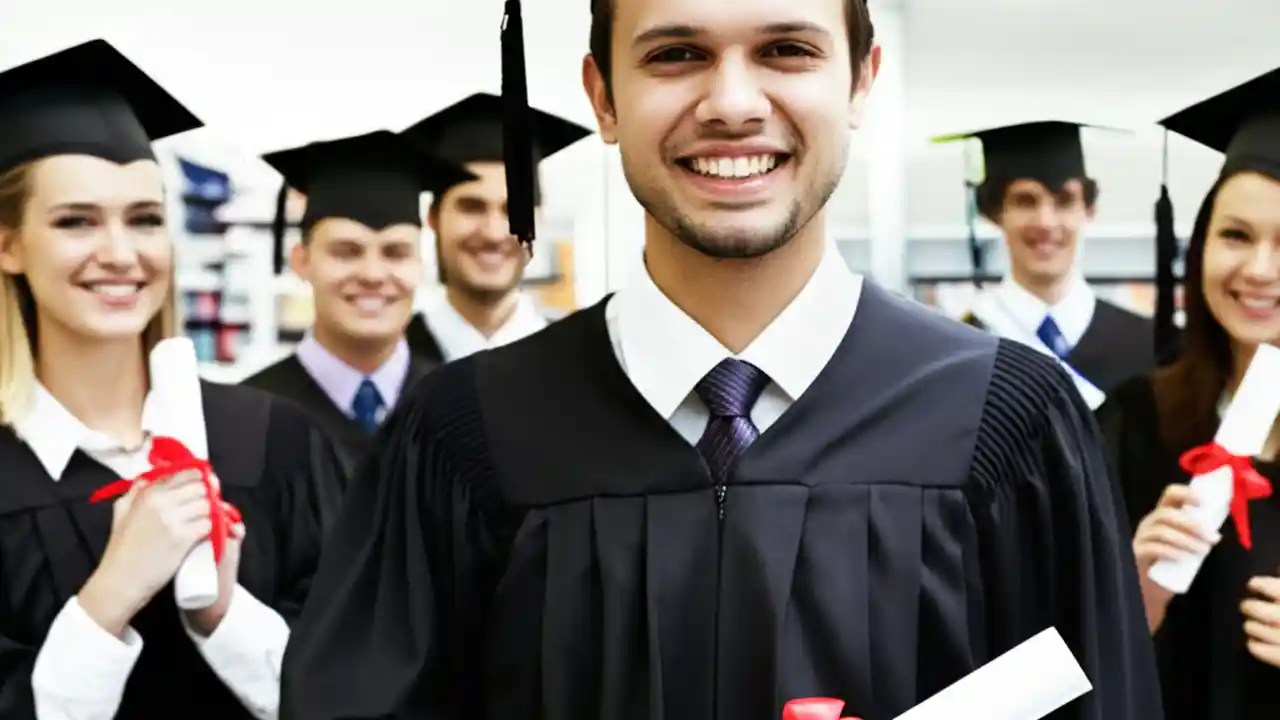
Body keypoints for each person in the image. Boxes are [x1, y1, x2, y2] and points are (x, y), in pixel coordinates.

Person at [280, 0, 1162, 717]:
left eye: (785, 49)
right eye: (675, 55)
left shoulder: (1004, 423)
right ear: (603, 97)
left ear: (861, 79)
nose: (733, 102)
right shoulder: (468, 434)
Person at [0, 40, 345, 718]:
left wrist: (223, 611)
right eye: (76, 221)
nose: (121, 254)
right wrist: (109, 596)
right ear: (8, 243)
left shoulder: (277, 442)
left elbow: (354, 686)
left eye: (145, 219)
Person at [1096, 65, 1280, 720]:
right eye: (1236, 235)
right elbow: (1068, 661)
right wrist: (1134, 591)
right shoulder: (1134, 422)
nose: (1259, 270)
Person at [242, 131, 472, 474]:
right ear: (301, 261)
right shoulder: (247, 417)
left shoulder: (460, 412)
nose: (373, 274)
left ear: (421, 265)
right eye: (346, 252)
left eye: (396, 252)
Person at [944, 121, 1156, 407]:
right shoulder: (959, 349)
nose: (1045, 222)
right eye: (1025, 201)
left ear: (1089, 209)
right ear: (994, 212)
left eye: (1065, 201)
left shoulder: (1147, 346)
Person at [398, 92, 591, 363]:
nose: (493, 232)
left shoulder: (584, 362)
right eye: (471, 207)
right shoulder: (385, 364)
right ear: (433, 218)